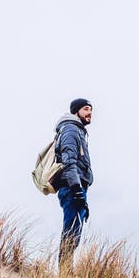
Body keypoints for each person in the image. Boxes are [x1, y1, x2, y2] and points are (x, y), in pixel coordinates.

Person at [53, 98, 94, 267]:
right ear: (76, 111)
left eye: (91, 110)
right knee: (71, 231)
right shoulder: (71, 130)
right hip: (72, 186)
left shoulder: (77, 131)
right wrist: (76, 188)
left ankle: (66, 270)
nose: (90, 113)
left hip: (76, 186)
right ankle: (65, 272)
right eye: (86, 109)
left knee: (74, 230)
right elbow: (68, 161)